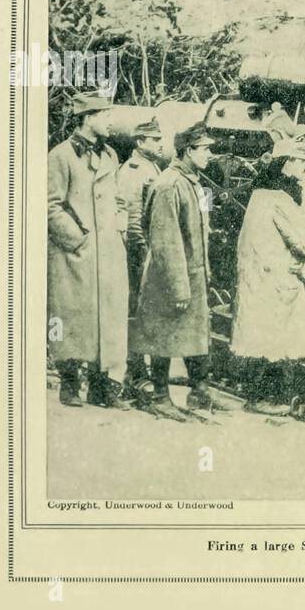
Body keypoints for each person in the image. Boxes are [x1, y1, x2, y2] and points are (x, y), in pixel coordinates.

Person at [47, 91, 132, 410]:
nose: (111, 121)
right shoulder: (61, 155)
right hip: (75, 255)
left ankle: (101, 388)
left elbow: (118, 198)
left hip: (108, 252)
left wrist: (118, 229)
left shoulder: (110, 154)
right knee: (72, 317)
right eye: (105, 115)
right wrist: (77, 239)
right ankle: (69, 384)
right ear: (88, 119)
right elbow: (50, 205)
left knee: (107, 319)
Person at [133, 122, 222, 421]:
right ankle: (160, 396)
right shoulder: (169, 185)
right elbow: (166, 242)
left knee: (193, 335)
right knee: (164, 336)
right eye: (205, 149)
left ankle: (200, 393)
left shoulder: (192, 182)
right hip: (169, 277)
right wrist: (179, 287)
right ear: (187, 150)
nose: (210, 154)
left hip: (191, 275)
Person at [231, 140, 305, 414]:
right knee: (274, 340)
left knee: (262, 337)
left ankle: (260, 395)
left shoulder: (260, 194)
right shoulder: (279, 199)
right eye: (300, 161)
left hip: (262, 278)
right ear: (287, 164)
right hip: (274, 280)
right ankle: (262, 398)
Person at [118, 117, 167, 398]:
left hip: (145, 250)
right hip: (138, 251)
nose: (160, 144)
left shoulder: (150, 167)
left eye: (160, 139)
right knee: (136, 311)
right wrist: (141, 249)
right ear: (140, 143)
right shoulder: (134, 170)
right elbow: (132, 216)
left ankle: (138, 371)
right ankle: (135, 373)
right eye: (155, 140)